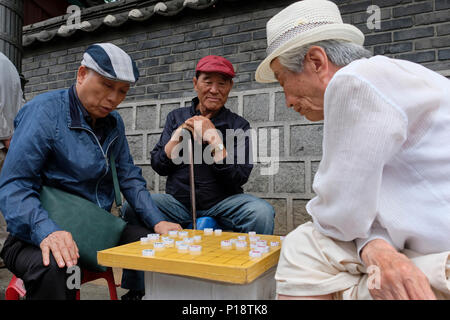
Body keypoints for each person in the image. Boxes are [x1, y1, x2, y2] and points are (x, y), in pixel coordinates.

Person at [255, 0, 450, 300]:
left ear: (316, 62)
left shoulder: (353, 81)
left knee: (301, 246)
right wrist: (374, 244)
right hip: (431, 240)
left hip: (439, 248)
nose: (288, 101)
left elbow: (339, 216)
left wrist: (370, 242)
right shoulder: (403, 75)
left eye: (283, 81)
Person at [0, 43, 181, 300]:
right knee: (55, 265)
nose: (114, 99)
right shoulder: (44, 112)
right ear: (82, 74)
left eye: (123, 91)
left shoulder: (113, 122)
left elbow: (128, 176)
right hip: (32, 234)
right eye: (107, 86)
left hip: (95, 229)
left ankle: (137, 295)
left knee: (158, 245)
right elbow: (14, 185)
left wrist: (158, 221)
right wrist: (46, 230)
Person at [145, 55, 275, 234]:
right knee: (136, 206)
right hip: (178, 204)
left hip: (223, 204)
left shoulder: (239, 125)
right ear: (195, 83)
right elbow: (159, 166)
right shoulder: (176, 117)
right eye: (207, 82)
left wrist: (214, 138)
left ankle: (249, 261)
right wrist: (177, 136)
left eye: (222, 84)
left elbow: (239, 176)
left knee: (261, 212)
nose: (214, 90)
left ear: (230, 87)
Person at [0, 52, 25, 268]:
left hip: (3, 139)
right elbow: (21, 104)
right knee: (5, 201)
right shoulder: (8, 64)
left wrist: (6, 133)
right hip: (10, 145)